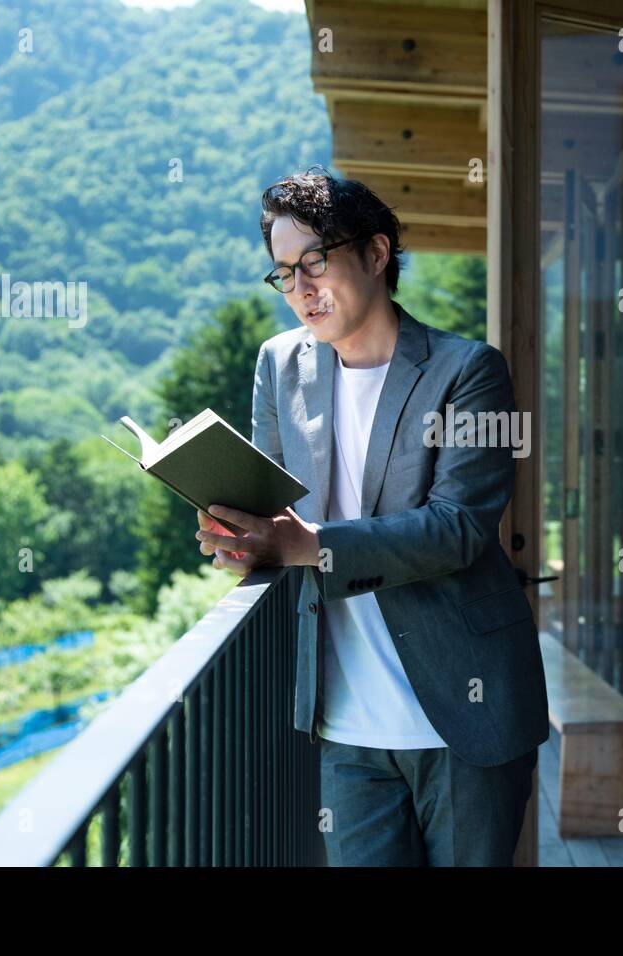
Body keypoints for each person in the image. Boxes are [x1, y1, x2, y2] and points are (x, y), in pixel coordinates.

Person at [193, 169, 549, 866]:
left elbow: (459, 527)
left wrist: (310, 547)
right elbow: (270, 503)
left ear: (377, 253)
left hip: (465, 716)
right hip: (345, 726)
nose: (299, 288)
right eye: (283, 272)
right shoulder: (279, 364)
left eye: (315, 262)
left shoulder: (471, 371)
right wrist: (246, 540)